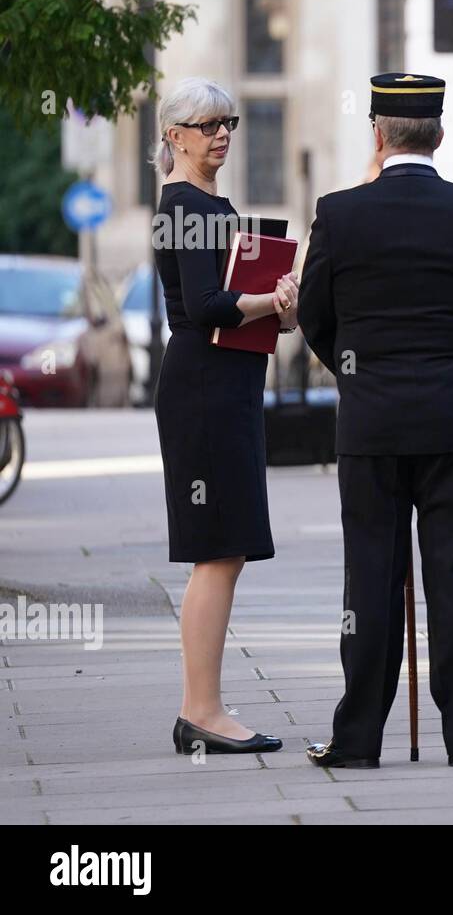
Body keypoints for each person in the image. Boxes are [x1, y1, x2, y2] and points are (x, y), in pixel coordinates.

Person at [298, 72, 453, 768]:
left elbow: (313, 315)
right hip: (452, 418)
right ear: (441, 133)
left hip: (370, 423)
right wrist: (452, 359)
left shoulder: (339, 213)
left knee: (367, 579)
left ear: (378, 133)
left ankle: (357, 737)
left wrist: (360, 371)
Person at [153, 77, 299, 755]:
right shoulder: (185, 205)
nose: (222, 133)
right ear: (174, 135)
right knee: (216, 550)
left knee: (226, 549)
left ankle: (199, 707)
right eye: (207, 123)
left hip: (227, 383)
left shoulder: (212, 204)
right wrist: (270, 298)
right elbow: (208, 302)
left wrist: (281, 302)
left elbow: (232, 296)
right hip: (204, 389)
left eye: (228, 122)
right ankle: (203, 710)